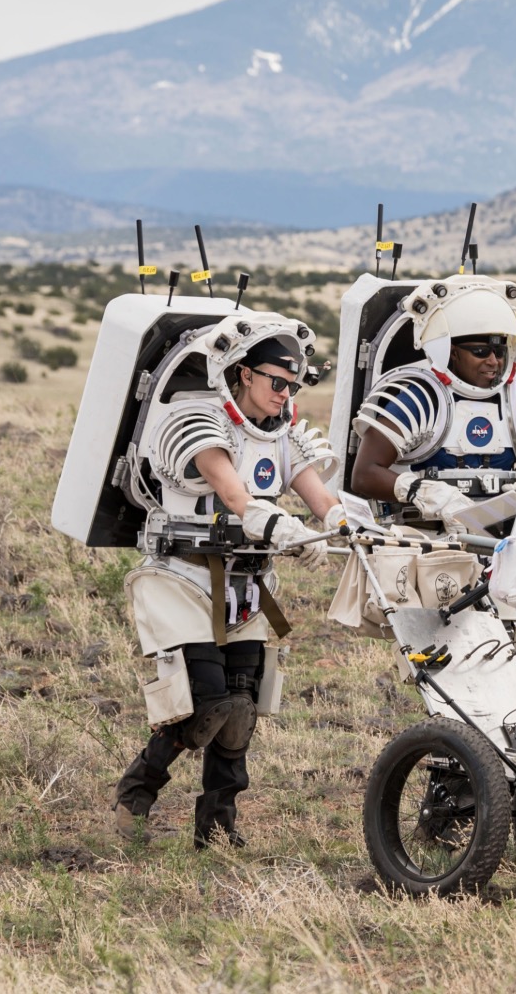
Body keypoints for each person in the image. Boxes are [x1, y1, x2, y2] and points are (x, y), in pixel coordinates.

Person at [114, 315, 341, 847]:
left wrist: (340, 527)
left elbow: (321, 499)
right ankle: (137, 792)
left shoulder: (283, 437)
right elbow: (234, 495)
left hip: (246, 585)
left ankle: (217, 826)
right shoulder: (198, 421)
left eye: (293, 386)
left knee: (241, 709)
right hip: (182, 577)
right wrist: (275, 523)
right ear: (242, 374)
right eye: (276, 382)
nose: (284, 396)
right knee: (206, 701)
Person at [350, 276, 516, 529]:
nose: (493, 361)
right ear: (451, 351)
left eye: (499, 352)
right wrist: (422, 492)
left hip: (510, 539)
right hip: (428, 542)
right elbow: (364, 475)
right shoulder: (420, 400)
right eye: (480, 352)